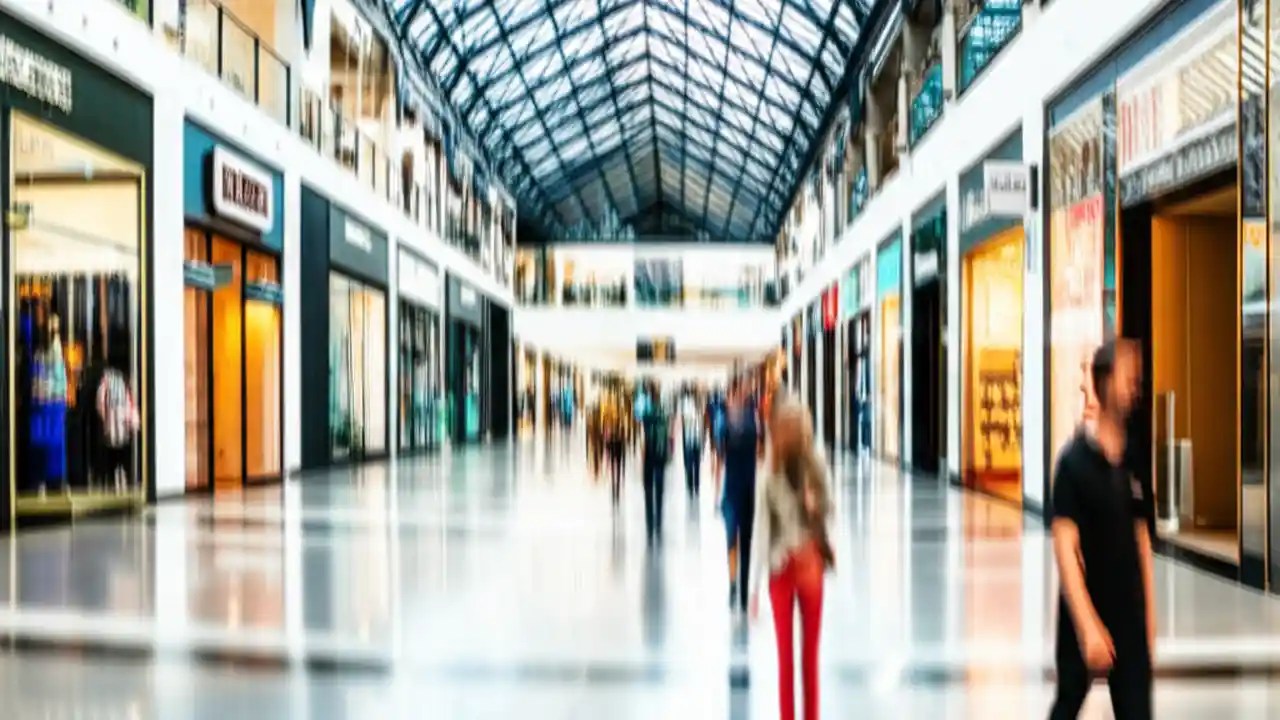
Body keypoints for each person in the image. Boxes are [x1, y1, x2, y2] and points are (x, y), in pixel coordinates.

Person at [1049, 340, 1154, 719]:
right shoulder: (1073, 463)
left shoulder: (1135, 455)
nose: (1135, 386)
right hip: (1086, 609)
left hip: (1128, 615)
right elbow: (1064, 547)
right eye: (1128, 376)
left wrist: (1148, 623)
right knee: (1068, 703)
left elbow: (1142, 539)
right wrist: (1088, 625)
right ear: (1105, 382)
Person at [750, 397, 833, 720]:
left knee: (809, 659)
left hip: (811, 568)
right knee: (786, 659)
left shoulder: (817, 466)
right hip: (781, 569)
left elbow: (831, 510)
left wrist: (817, 506)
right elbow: (761, 529)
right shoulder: (769, 474)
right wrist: (755, 586)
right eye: (791, 427)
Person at [722, 380, 762, 611]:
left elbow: (760, 451)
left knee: (743, 539)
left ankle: (741, 587)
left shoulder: (750, 421)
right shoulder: (730, 423)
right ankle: (734, 582)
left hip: (745, 488)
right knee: (733, 539)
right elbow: (720, 456)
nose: (733, 399)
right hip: (735, 489)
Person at [639, 382, 673, 545]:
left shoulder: (646, 413)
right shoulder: (664, 414)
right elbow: (668, 435)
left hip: (650, 454)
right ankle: (658, 521)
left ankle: (649, 522)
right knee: (659, 489)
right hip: (660, 455)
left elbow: (644, 436)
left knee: (648, 489)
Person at [681, 390, 706, 496]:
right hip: (690, 439)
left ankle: (695, 486)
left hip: (694, 439)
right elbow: (685, 422)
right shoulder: (688, 407)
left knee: (695, 464)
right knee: (692, 463)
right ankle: (692, 485)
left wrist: (703, 440)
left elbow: (702, 425)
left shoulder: (700, 409)